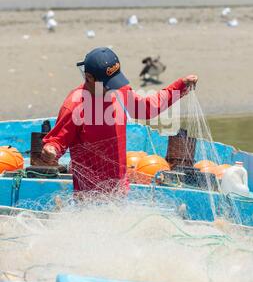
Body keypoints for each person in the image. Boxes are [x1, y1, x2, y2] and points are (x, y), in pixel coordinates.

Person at [41, 47, 198, 195]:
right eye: (108, 85)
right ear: (89, 78)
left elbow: (147, 108)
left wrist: (180, 86)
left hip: (120, 191)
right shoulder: (74, 106)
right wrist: (50, 151)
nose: (113, 88)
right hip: (89, 197)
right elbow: (57, 141)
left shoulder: (119, 90)